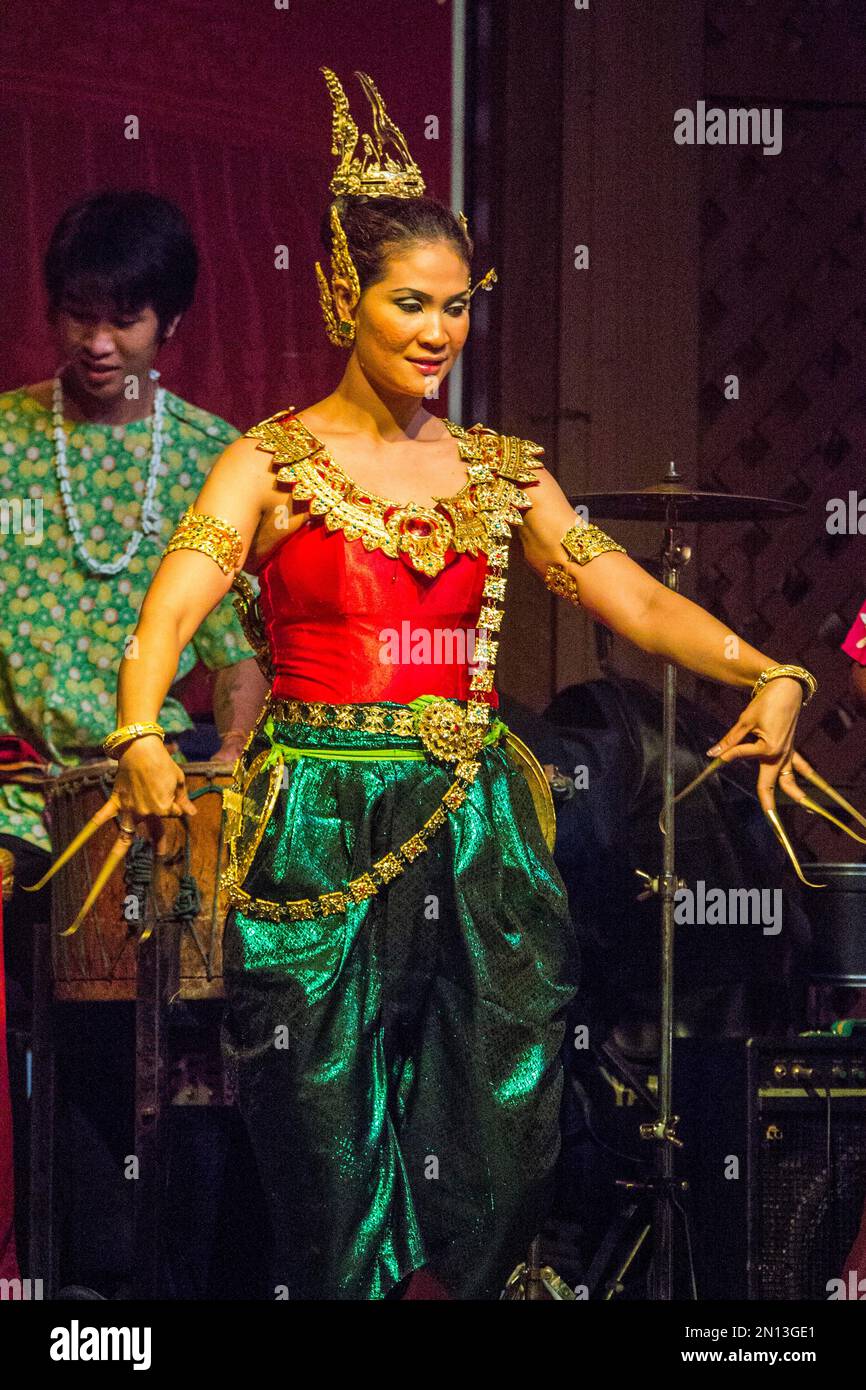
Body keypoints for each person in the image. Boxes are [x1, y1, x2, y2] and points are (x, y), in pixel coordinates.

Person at [93, 69, 820, 1299]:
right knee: (325, 1133)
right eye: (408, 305)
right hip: (318, 818)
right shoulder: (270, 463)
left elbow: (631, 600)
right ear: (345, 298)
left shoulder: (501, 474)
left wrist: (776, 667)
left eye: (456, 307)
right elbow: (173, 600)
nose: (436, 333)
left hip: (479, 820)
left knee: (502, 1118)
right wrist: (138, 729)